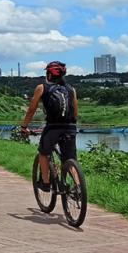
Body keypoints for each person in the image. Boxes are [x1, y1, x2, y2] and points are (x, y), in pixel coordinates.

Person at [20, 61, 79, 192]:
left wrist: (24, 127)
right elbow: (75, 111)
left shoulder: (42, 88)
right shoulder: (71, 89)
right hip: (70, 127)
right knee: (69, 159)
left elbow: (31, 109)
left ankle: (46, 183)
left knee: (43, 153)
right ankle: (78, 186)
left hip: (52, 127)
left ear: (49, 74)